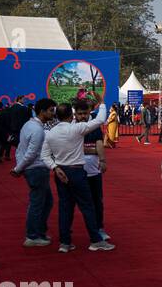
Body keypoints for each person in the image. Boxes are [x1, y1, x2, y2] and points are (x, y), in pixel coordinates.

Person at [42, 100, 114, 252]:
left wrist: (54, 167)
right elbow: (100, 119)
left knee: (65, 208)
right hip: (77, 172)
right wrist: (101, 103)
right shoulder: (76, 129)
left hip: (61, 172)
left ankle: (65, 242)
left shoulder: (50, 133)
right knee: (88, 207)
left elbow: (44, 156)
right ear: (71, 115)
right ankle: (95, 240)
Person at [11, 97, 58, 246]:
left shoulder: (28, 125)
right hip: (37, 169)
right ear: (42, 111)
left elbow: (20, 149)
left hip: (33, 168)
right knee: (38, 203)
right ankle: (32, 236)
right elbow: (31, 153)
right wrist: (18, 168)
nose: (53, 113)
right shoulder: (38, 130)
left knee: (46, 202)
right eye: (51, 110)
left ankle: (39, 232)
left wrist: (20, 166)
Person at [80, 102, 112, 243]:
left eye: (85, 113)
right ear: (75, 114)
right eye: (79, 113)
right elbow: (74, 148)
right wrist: (92, 150)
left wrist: (103, 160)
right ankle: (65, 238)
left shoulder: (94, 126)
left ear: (90, 113)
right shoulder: (72, 126)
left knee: (97, 201)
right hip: (76, 171)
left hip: (94, 170)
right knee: (70, 204)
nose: (82, 116)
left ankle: (99, 228)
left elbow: (99, 143)